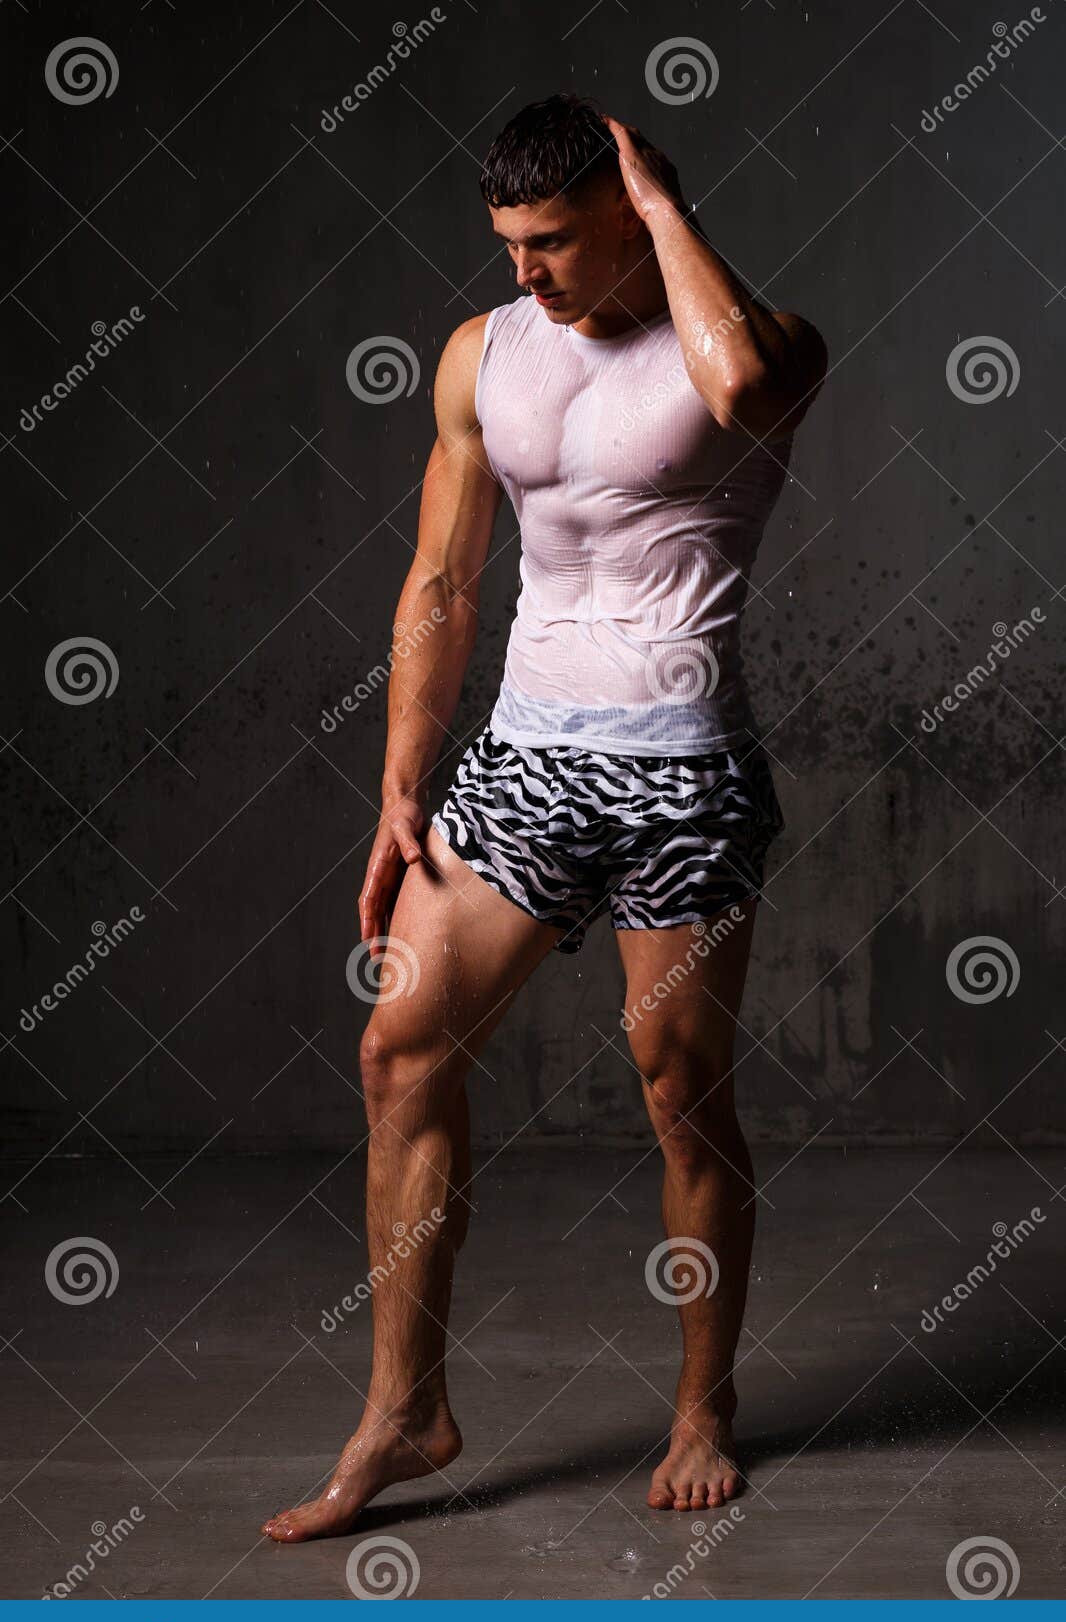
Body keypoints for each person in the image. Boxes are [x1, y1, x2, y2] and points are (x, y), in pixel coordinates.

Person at [262, 93, 826, 1543]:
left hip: (684, 769)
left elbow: (747, 390)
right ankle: (406, 1408)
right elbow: (444, 577)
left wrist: (663, 207)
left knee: (678, 1092)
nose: (526, 272)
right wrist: (404, 778)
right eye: (509, 243)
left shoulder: (758, 339)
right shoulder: (485, 353)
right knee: (398, 1050)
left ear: (634, 213)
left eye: (557, 240)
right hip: (525, 763)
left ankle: (702, 1402)